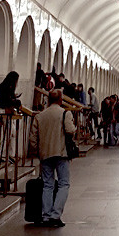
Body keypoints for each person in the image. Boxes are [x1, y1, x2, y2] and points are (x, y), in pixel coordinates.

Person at [27, 87, 77, 227]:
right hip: (61, 153)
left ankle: (46, 216)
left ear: (49, 99)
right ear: (60, 100)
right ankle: (56, 215)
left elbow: (33, 138)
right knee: (63, 184)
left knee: (47, 185)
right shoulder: (65, 113)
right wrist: (75, 128)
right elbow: (70, 130)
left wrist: (38, 151)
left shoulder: (40, 116)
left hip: (45, 154)